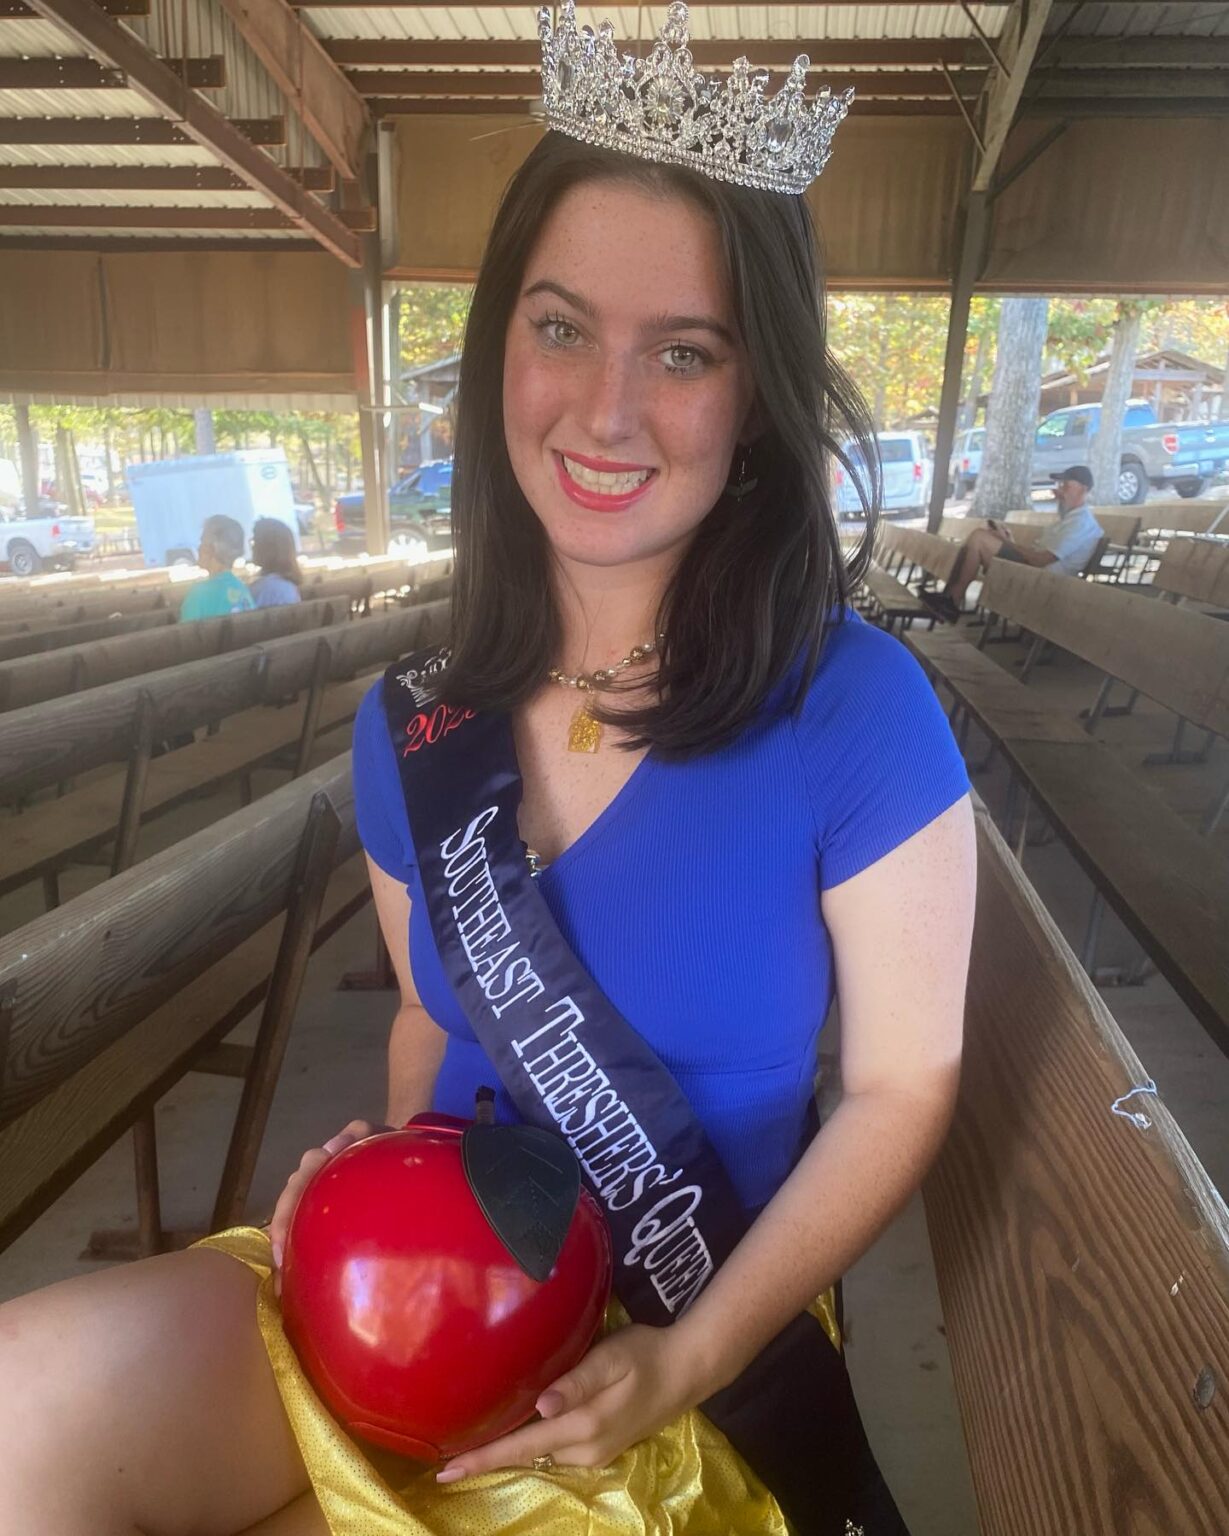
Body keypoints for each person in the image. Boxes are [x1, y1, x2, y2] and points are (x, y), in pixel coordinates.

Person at [0, 7, 975, 1534]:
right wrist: (379, 1172)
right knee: (21, 1413)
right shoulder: (413, 721)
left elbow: (903, 1084)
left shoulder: (856, 710)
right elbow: (426, 1015)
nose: (606, 408)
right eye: (562, 327)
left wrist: (691, 1356)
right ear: (497, 346)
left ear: (755, 399)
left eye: (685, 352)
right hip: (412, 1291)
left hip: (675, 1346)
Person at [920, 465, 1104, 622]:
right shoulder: (1069, 520)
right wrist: (1009, 541)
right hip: (1034, 571)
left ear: (1083, 490)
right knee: (976, 539)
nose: (1060, 491)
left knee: (979, 538)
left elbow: (1040, 560)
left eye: (1066, 486)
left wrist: (1005, 542)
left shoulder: (1081, 524)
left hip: (1044, 581)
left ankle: (952, 601)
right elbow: (1037, 554)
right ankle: (949, 598)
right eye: (1060, 485)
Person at [180, 512, 256, 621]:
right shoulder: (242, 590)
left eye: (202, 542)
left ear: (212, 548)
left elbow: (185, 631)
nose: (199, 548)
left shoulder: (198, 594)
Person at [249, 517, 304, 608]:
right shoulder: (286, 586)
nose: (252, 547)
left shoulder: (268, 588)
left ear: (270, 548)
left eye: (255, 541)